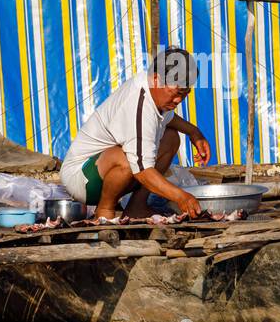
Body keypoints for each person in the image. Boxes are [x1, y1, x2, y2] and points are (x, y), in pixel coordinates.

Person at [60, 47, 211, 219]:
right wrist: (181, 196)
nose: (178, 100)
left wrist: (194, 133)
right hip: (81, 179)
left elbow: (169, 119)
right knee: (128, 161)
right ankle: (104, 210)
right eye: (177, 93)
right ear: (157, 79)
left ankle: (136, 207)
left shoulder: (155, 92)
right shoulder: (138, 102)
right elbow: (142, 171)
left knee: (171, 138)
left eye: (185, 94)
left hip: (103, 171)